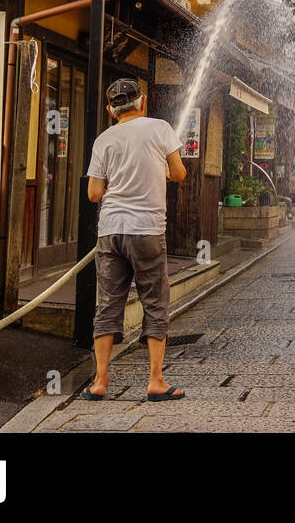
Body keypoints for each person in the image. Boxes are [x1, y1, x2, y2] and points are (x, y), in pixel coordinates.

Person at [81, 78, 187, 402]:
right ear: (142, 101)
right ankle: (155, 380)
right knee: (154, 302)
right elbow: (180, 173)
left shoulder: (103, 140)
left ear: (111, 109)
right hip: (147, 230)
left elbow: (94, 193)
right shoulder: (160, 128)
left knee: (108, 304)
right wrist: (162, 173)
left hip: (110, 231)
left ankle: (99, 381)